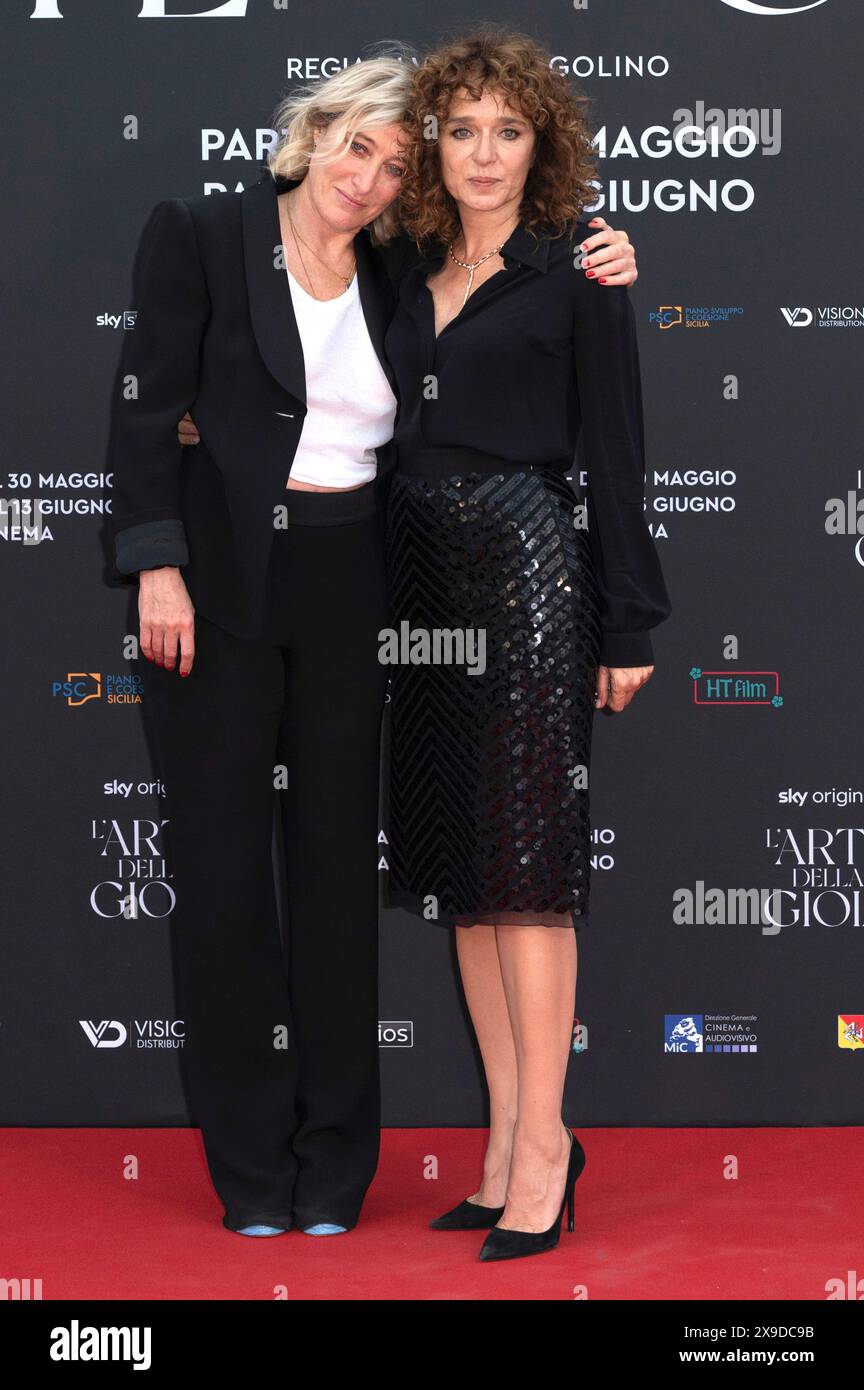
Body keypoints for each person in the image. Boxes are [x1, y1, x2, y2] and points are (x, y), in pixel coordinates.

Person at [108, 50, 641, 1238]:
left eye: (399, 162)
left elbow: (523, 288)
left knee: (343, 876)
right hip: (220, 585)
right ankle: (254, 1170)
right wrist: (157, 562)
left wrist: (605, 252)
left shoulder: (407, 262)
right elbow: (145, 406)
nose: (373, 174)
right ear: (314, 131)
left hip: (363, 583)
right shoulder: (202, 230)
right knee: (228, 878)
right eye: (361, 144)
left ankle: (339, 1169)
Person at [381, 27, 672, 1261]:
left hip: (531, 573)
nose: (485, 152)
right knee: (464, 869)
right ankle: (504, 1139)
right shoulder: (399, 267)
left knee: (530, 870)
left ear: (540, 145)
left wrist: (629, 615)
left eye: (509, 130)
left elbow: (618, 449)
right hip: (418, 586)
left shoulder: (578, 272)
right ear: (432, 145)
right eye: (462, 129)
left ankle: (549, 1144)